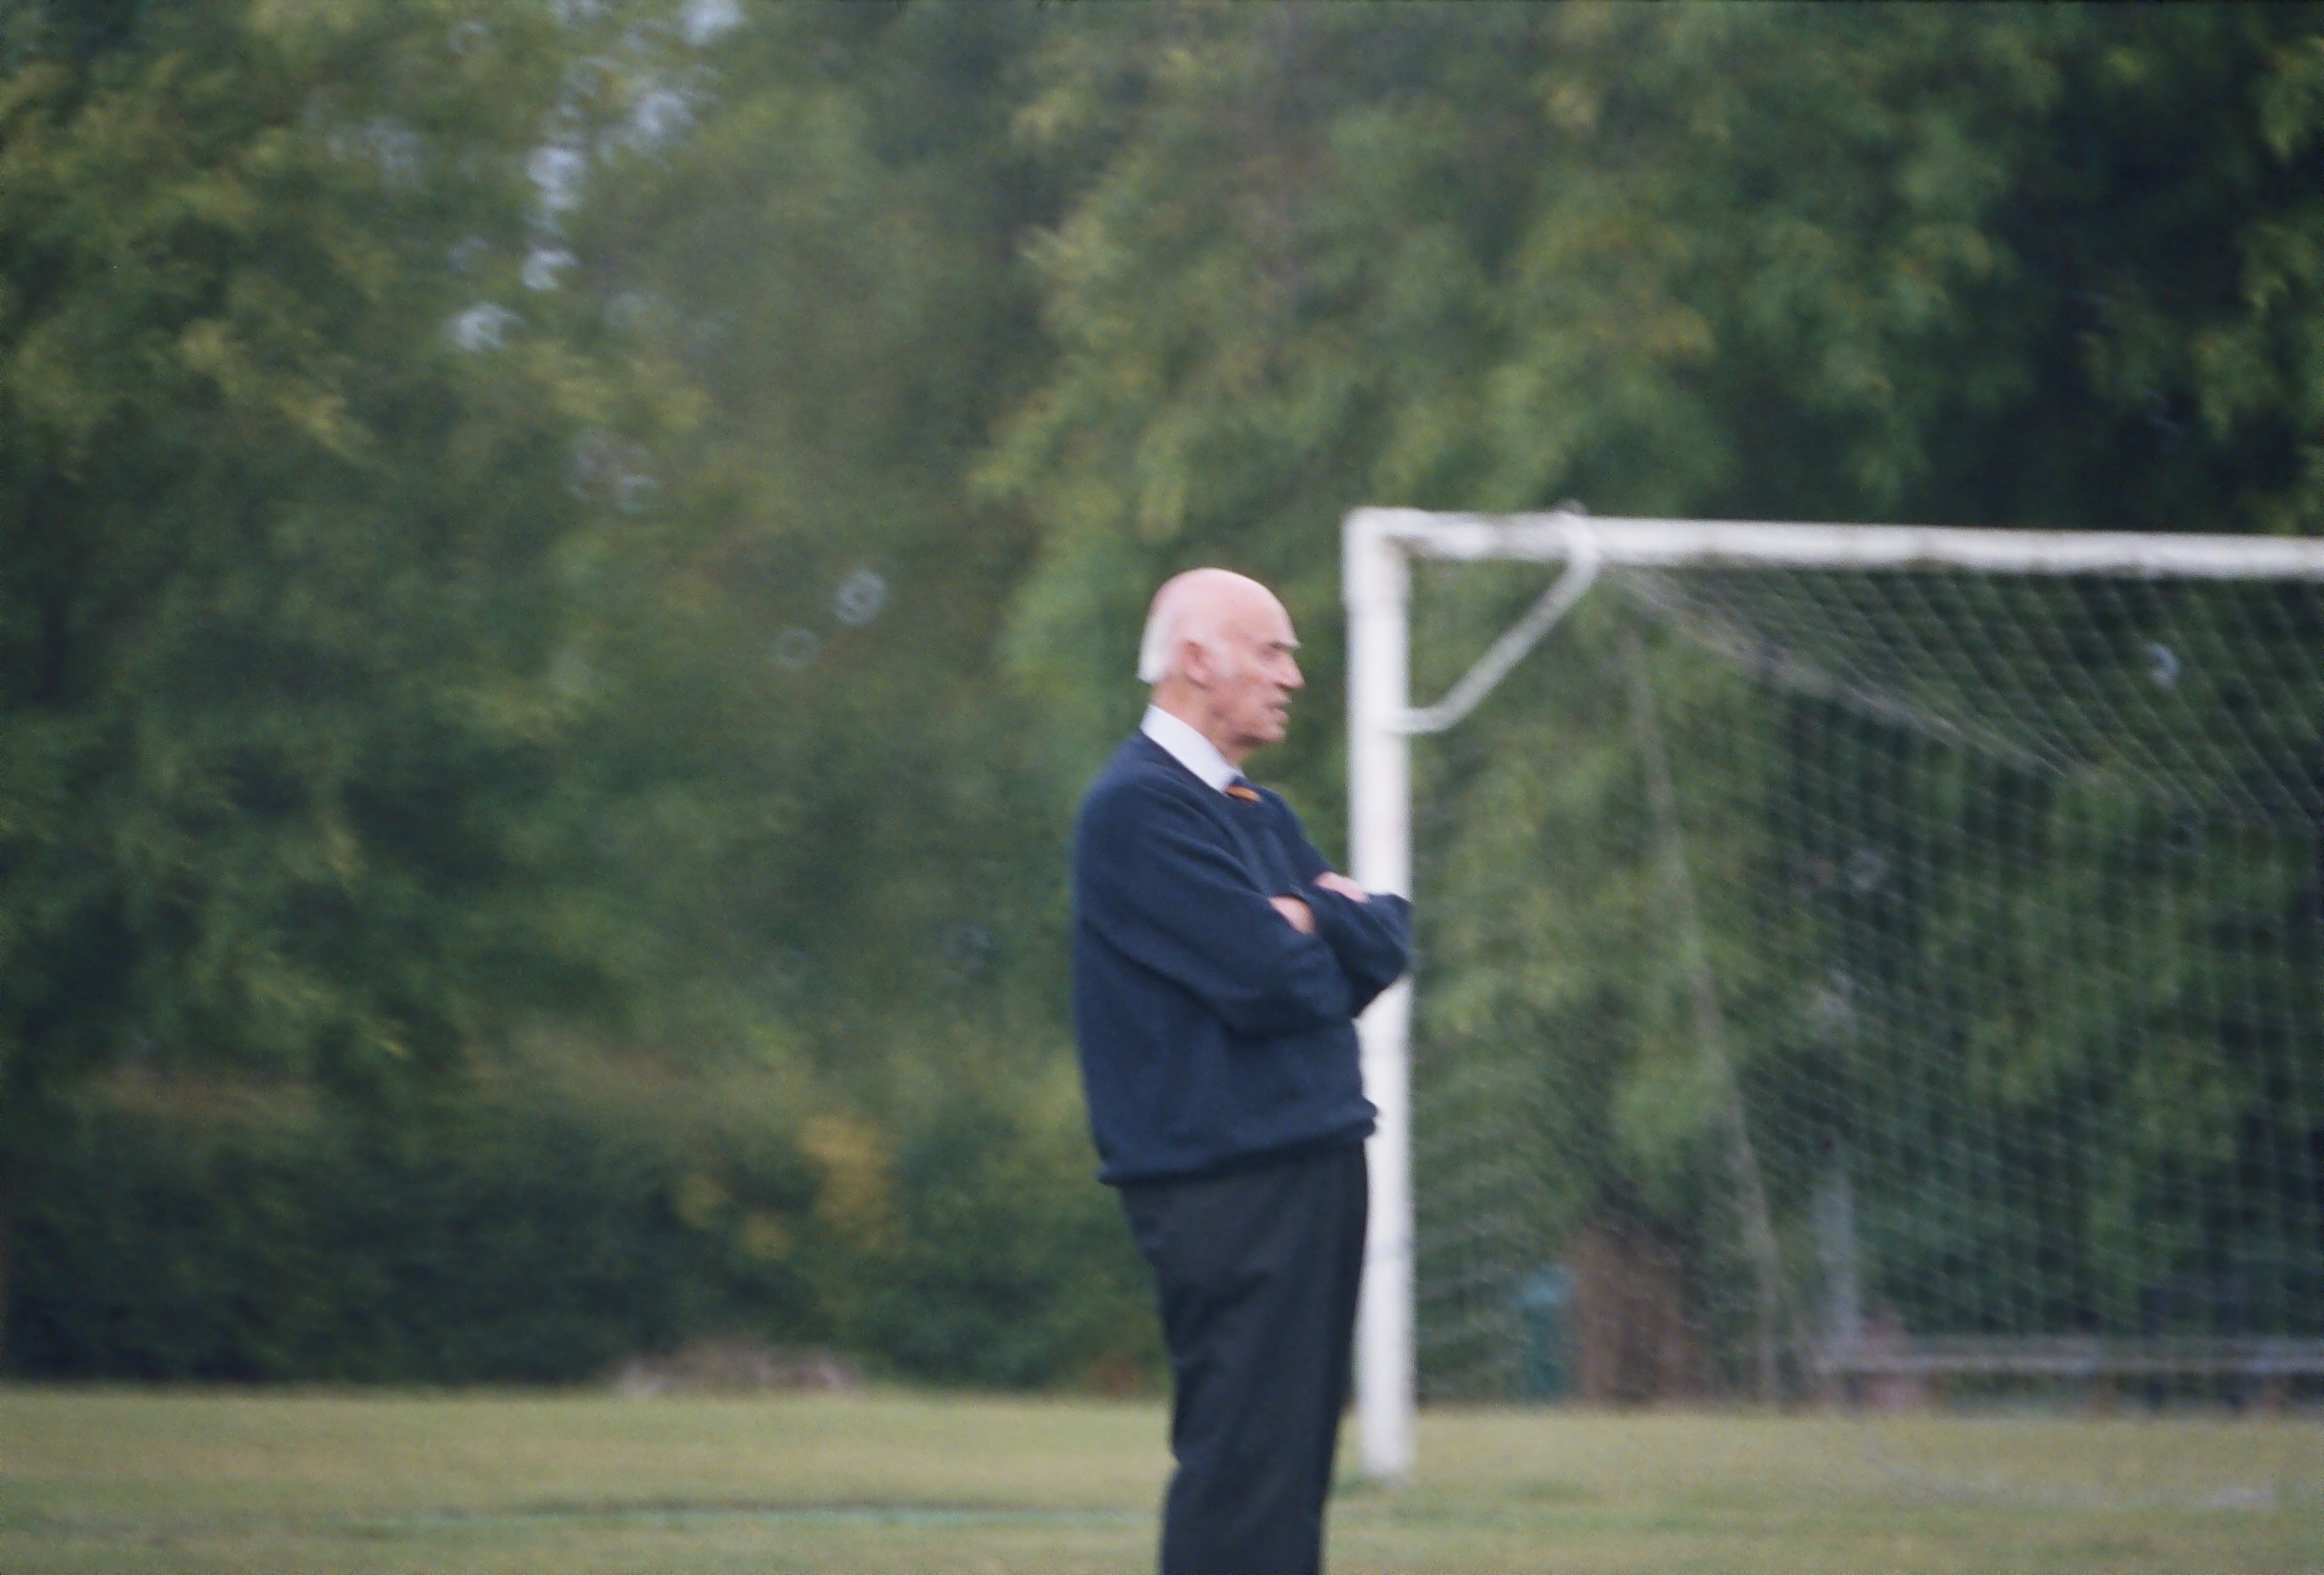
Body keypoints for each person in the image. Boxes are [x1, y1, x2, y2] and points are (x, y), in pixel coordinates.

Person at [1071, 568, 1413, 1575]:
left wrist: (1316, 917)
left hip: (1305, 1160)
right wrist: (1320, 920)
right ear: (1193, 661)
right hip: (1225, 1183)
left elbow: (1383, 940)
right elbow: (1272, 980)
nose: (1291, 676)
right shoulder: (1136, 807)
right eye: (1270, 649)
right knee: (1243, 1459)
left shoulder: (1253, 810)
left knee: (1292, 1458)